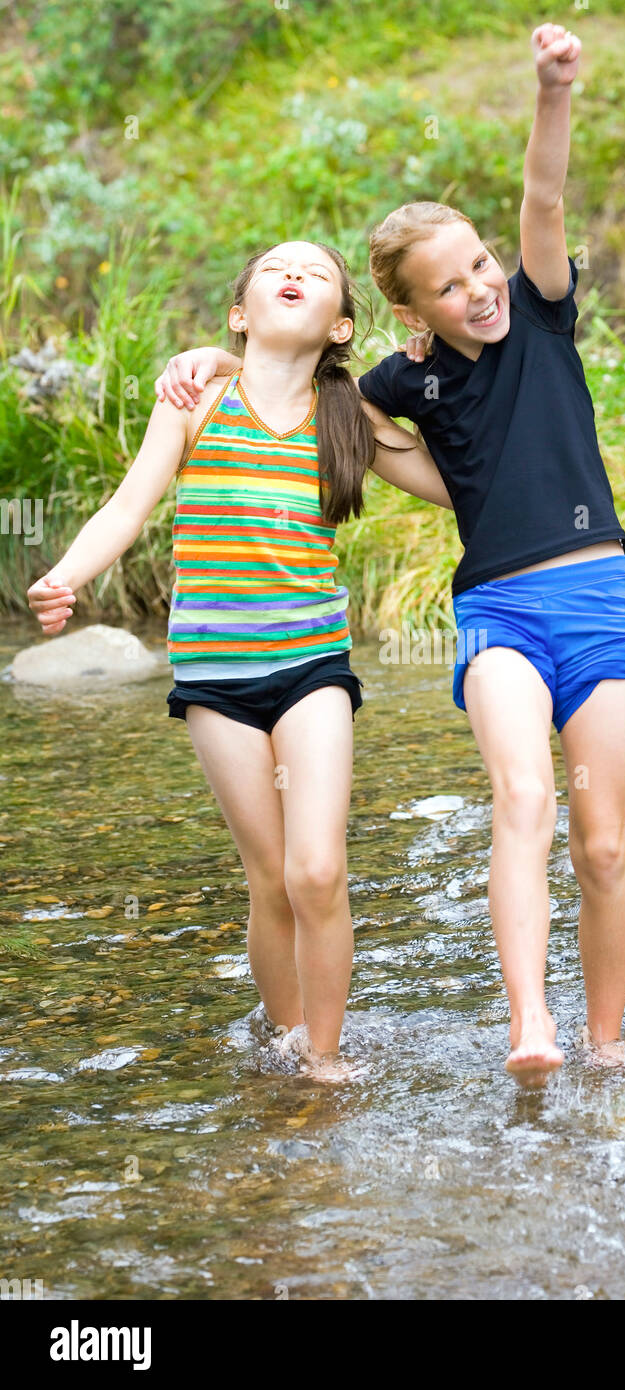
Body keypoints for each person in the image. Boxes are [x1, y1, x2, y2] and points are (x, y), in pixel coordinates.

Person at [154, 23, 625, 1086]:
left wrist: (552, 89)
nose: (478, 287)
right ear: (408, 314)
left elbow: (544, 198)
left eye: (480, 264)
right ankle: (531, 1024)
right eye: (450, 285)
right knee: (524, 799)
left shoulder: (542, 318)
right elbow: (309, 382)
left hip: (598, 595)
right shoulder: (401, 381)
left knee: (604, 843)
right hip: (496, 615)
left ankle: (608, 1042)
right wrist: (217, 357)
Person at [27, 239, 452, 1082]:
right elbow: (128, 506)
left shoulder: (347, 418)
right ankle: (287, 1041)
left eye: (316, 274)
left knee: (317, 870)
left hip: (312, 666)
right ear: (239, 313)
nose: (293, 275)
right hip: (216, 680)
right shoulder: (197, 401)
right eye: (275, 269)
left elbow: (451, 484)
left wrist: (432, 372)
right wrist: (66, 575)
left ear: (339, 327)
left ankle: (324, 1063)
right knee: (270, 878)